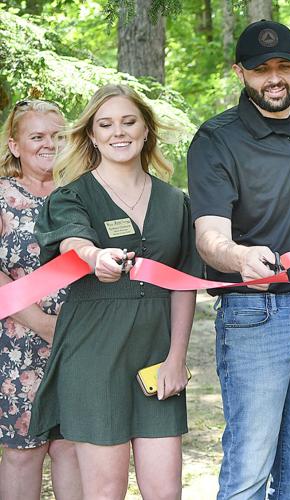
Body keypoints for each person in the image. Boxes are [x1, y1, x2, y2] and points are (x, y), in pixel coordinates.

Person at [186, 20, 290, 499]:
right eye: (261, 69)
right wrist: (238, 256)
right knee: (250, 467)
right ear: (240, 72)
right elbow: (208, 236)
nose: (274, 77)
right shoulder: (216, 139)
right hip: (255, 315)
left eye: (284, 66)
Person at [29, 84, 199, 499]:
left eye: (128, 122)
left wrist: (176, 358)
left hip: (156, 358)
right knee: (105, 491)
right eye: (105, 124)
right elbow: (72, 242)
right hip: (94, 356)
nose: (117, 132)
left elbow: (184, 284)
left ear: (145, 131)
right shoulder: (71, 196)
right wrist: (93, 257)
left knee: (166, 490)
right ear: (91, 135)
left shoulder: (175, 201)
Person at [0, 99, 82, 500]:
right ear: (15, 145)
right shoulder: (2, 195)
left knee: (73, 447)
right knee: (23, 451)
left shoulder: (84, 191)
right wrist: (46, 325)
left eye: (57, 136)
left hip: (81, 339)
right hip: (19, 342)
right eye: (37, 136)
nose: (49, 144)